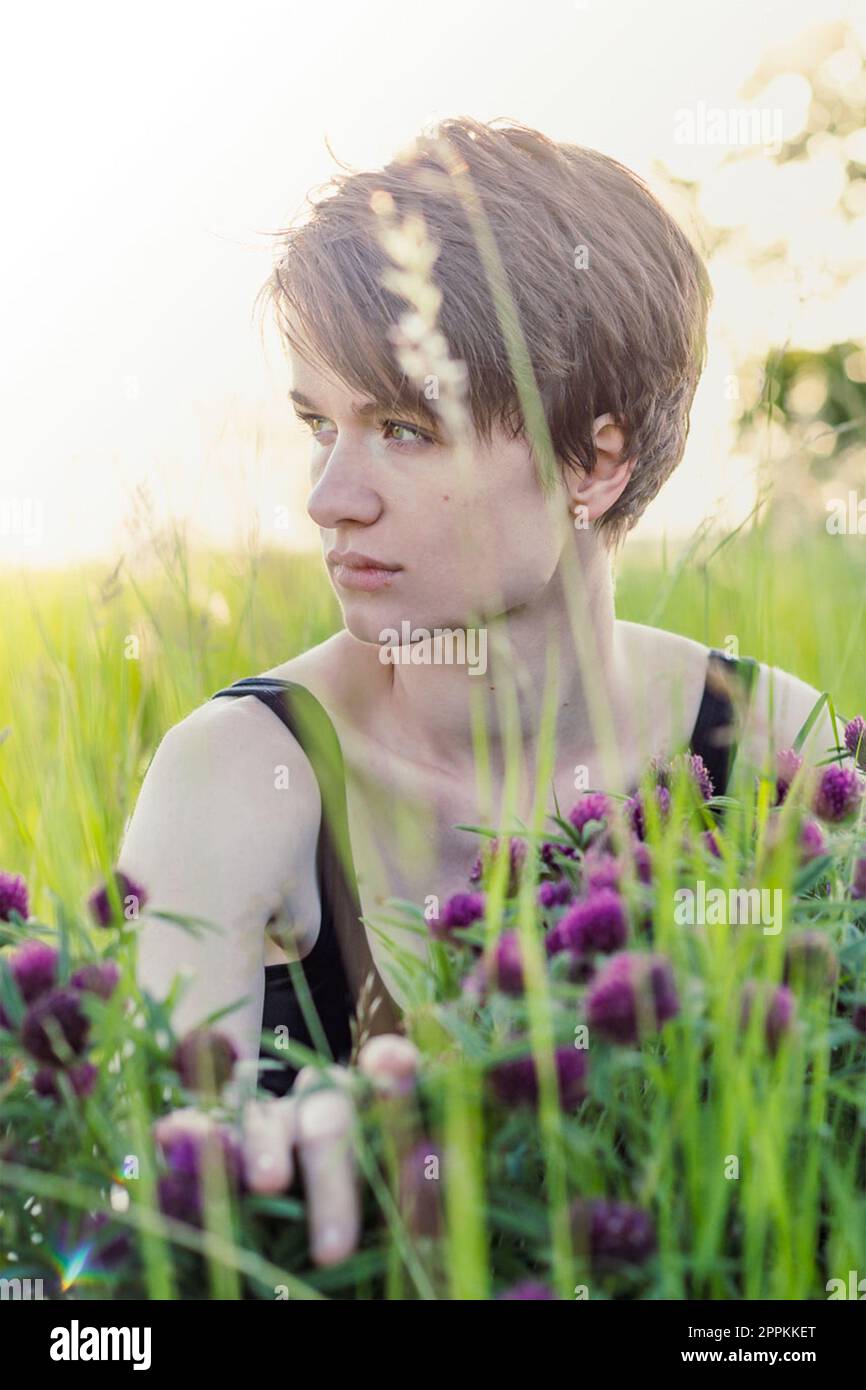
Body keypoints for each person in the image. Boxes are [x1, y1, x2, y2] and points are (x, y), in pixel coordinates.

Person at [118, 116, 840, 1270]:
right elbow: (143, 1178)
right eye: (320, 425)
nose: (329, 497)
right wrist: (249, 1153)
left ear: (593, 463)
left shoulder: (767, 741)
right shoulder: (238, 775)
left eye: (404, 430)